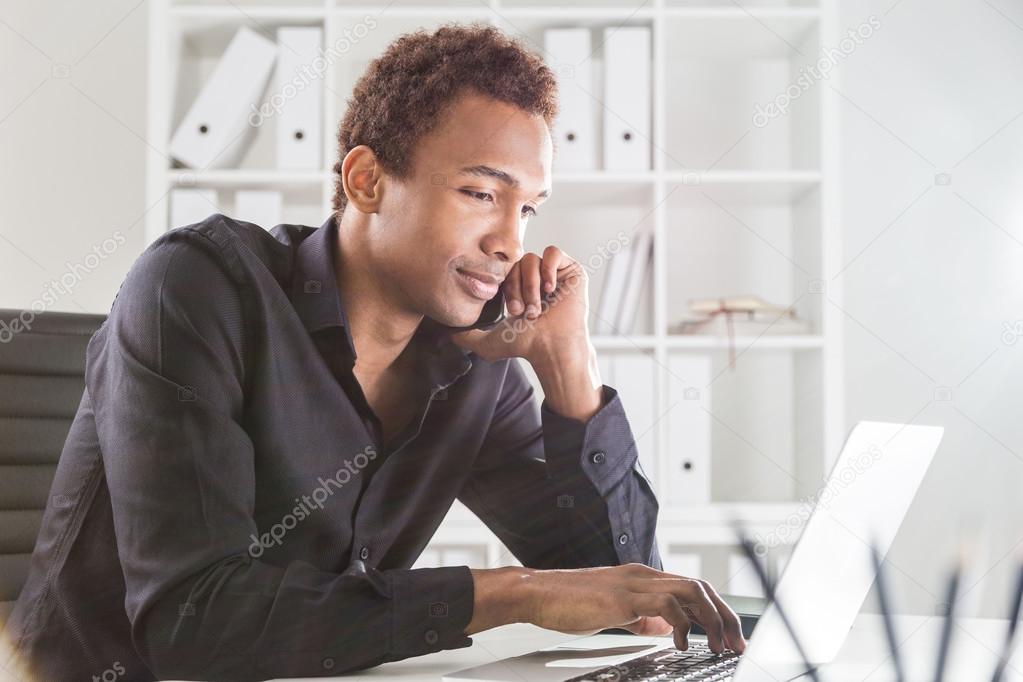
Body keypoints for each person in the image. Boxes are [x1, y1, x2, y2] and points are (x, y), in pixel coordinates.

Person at [1, 22, 744, 682]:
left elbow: (626, 606)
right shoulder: (199, 286)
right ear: (366, 181)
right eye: (481, 193)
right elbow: (196, 628)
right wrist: (512, 592)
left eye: (528, 209)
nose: (509, 242)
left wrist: (568, 371)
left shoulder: (474, 362)